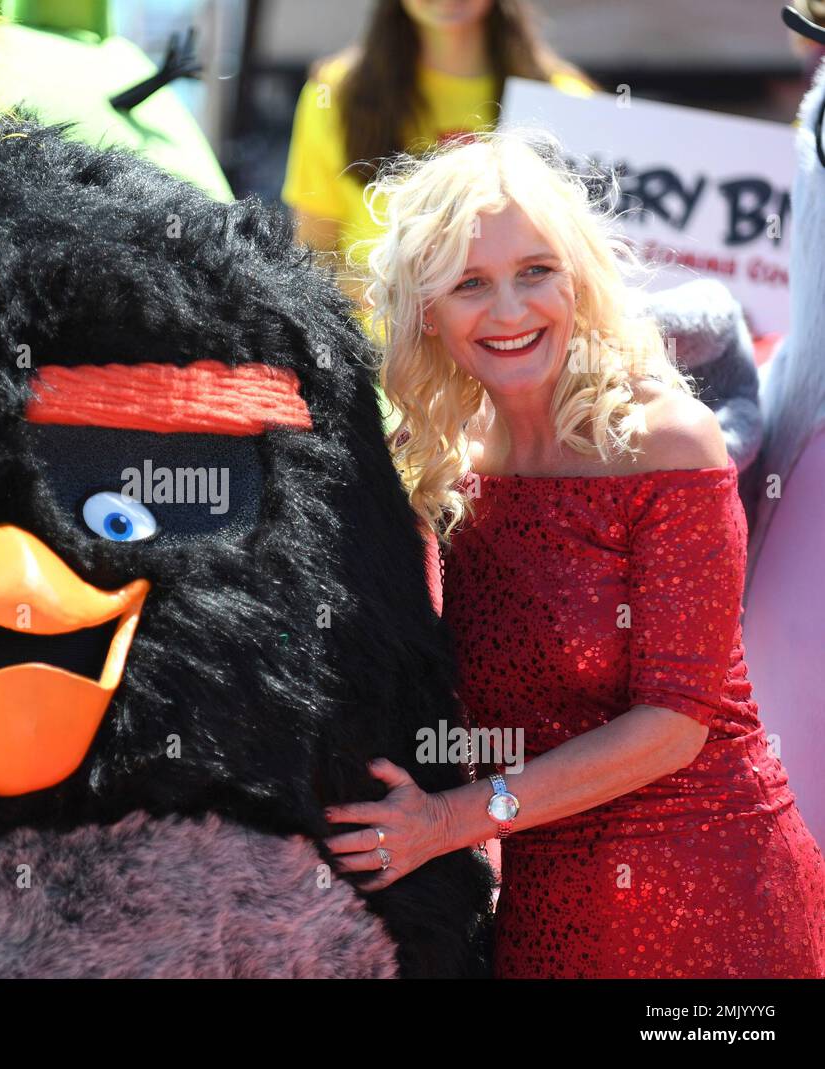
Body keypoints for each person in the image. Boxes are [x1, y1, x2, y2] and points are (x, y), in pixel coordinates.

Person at [322, 130, 825, 978]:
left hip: (716, 906)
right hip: (543, 916)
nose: (511, 310)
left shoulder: (667, 438)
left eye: (535, 272)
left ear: (579, 278)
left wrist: (449, 821)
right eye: (471, 283)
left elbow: (672, 726)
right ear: (427, 312)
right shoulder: (439, 461)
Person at [281, 0, 593, 304]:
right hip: (377, 351)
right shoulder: (335, 92)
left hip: (517, 344)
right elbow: (315, 256)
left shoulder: (568, 99)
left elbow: (597, 267)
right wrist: (405, 295)